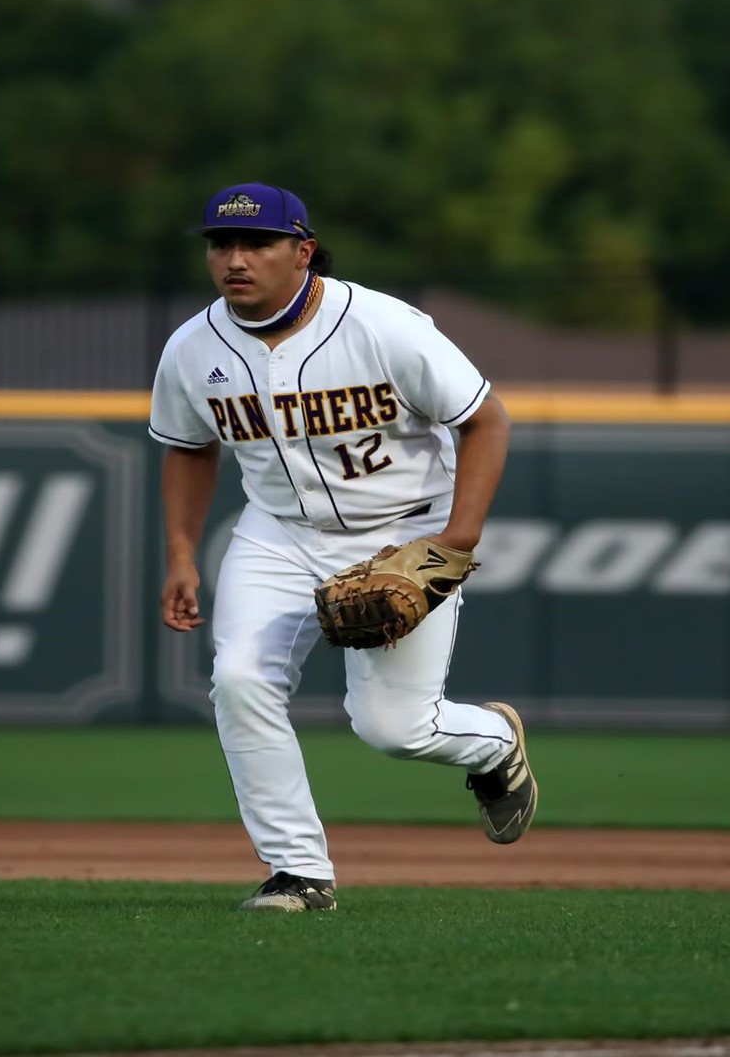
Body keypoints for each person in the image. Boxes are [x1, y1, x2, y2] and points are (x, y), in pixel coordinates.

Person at [150, 182, 537, 912]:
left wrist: (454, 542)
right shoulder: (192, 346)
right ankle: (299, 871)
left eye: (258, 243)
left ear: (302, 250)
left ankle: (493, 745)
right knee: (239, 681)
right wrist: (179, 552)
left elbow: (486, 421)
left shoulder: (385, 326)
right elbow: (188, 446)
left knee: (395, 729)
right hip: (276, 534)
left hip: (402, 530)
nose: (236, 259)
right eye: (221, 244)